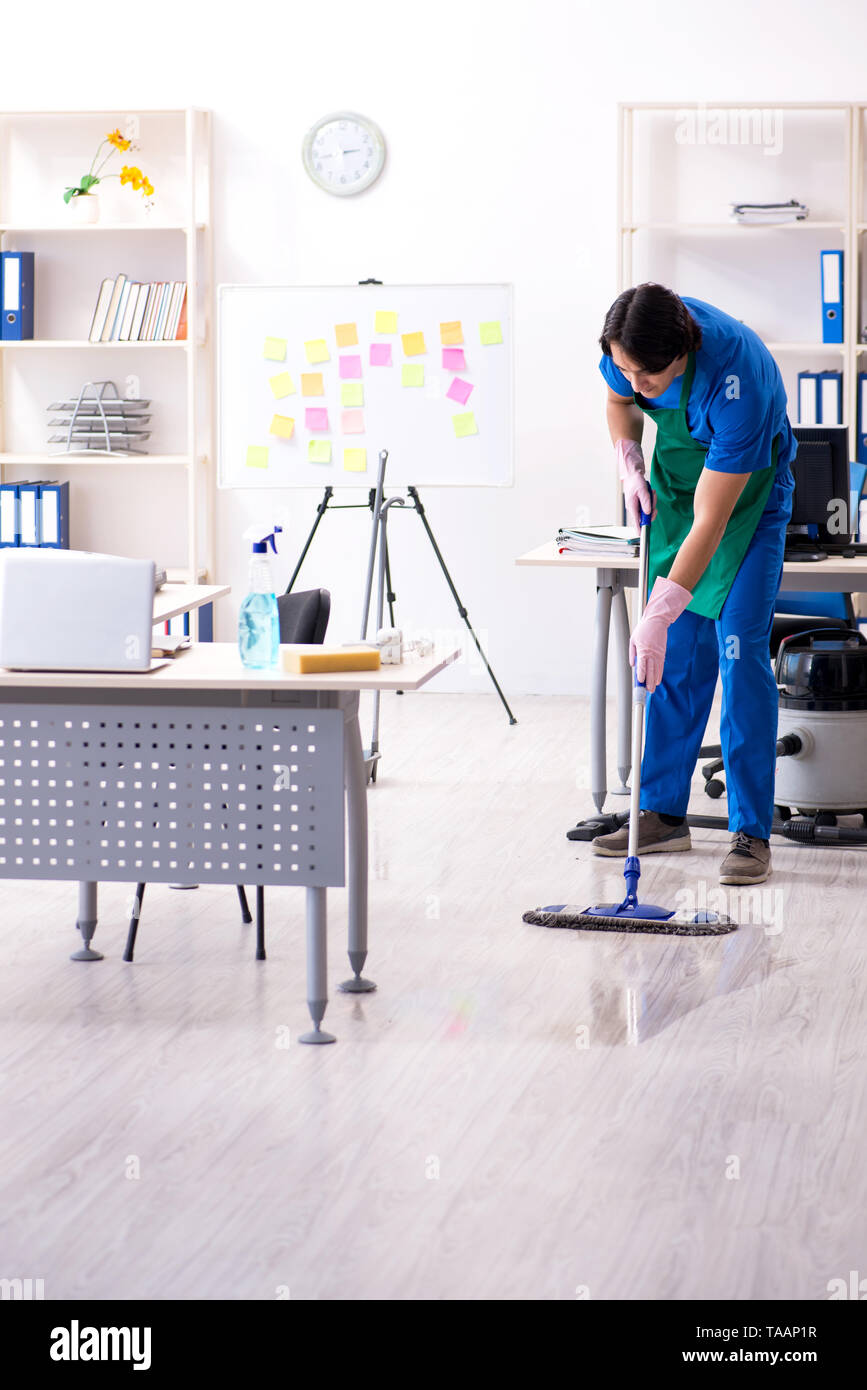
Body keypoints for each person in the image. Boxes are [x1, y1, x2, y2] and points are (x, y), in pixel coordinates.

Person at [593, 282, 796, 884]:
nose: (633, 382)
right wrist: (629, 457)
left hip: (747, 504)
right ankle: (660, 813)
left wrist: (657, 610)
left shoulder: (739, 378)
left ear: (678, 357)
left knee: (739, 656)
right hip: (678, 494)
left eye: (645, 377)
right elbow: (617, 403)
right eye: (622, 368)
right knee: (677, 658)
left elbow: (716, 520)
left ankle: (750, 831)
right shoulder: (630, 342)